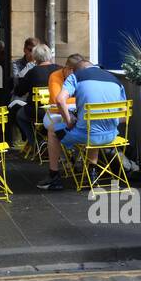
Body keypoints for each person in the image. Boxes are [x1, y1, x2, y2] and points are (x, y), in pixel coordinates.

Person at [36, 56, 125, 191]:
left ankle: (54, 176)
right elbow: (124, 116)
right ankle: (92, 173)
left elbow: (59, 100)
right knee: (92, 125)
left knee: (53, 131)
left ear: (76, 71)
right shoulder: (115, 79)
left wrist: (69, 121)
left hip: (86, 135)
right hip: (111, 136)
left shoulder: (76, 77)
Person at [13, 43, 62, 146]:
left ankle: (36, 143)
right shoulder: (60, 69)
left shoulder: (32, 72)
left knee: (20, 115)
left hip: (37, 111)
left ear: (35, 57)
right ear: (50, 55)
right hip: (59, 110)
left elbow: (20, 91)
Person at [8, 37, 39, 144]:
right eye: (30, 50)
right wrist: (29, 66)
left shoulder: (40, 64)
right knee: (15, 108)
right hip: (20, 95)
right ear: (25, 50)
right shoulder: (16, 64)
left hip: (34, 96)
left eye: (35, 51)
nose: (32, 54)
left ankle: (35, 141)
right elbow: (17, 81)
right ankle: (23, 138)